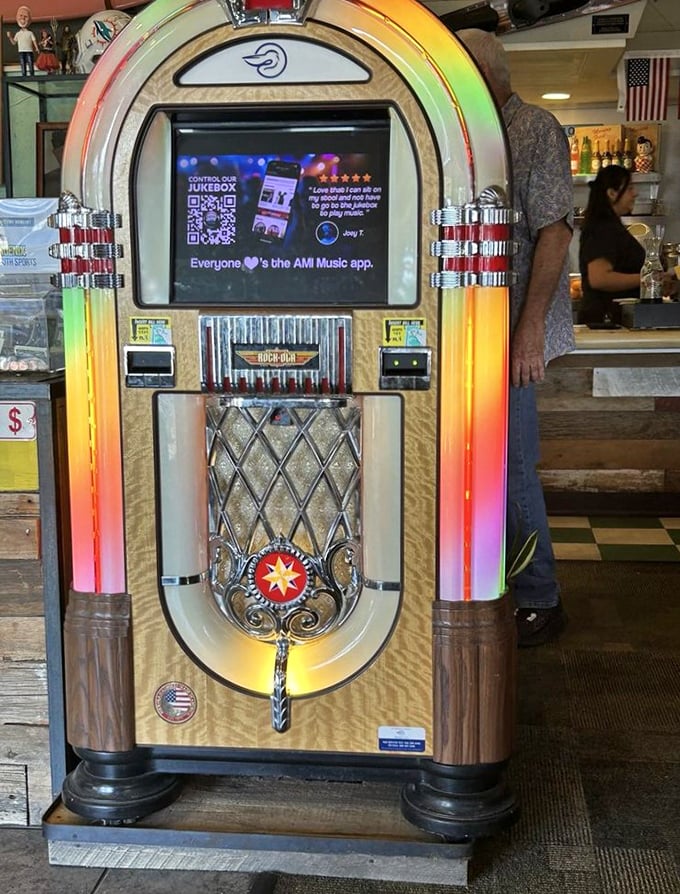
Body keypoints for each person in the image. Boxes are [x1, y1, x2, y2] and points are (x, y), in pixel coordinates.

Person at [456, 29, 574, 646]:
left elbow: (555, 232)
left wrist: (527, 332)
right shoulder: (476, 133)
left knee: (510, 465)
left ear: (488, 73)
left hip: (512, 336)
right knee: (483, 464)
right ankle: (501, 583)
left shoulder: (531, 126)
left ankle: (540, 596)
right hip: (476, 335)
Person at [578, 165, 646, 326]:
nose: (635, 193)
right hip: (606, 321)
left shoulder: (609, 226)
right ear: (611, 193)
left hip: (614, 320)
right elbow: (600, 279)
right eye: (629, 188)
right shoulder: (603, 228)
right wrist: (647, 279)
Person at [6, 6, 38, 77]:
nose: (23, 18)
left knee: (30, 62)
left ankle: (32, 74)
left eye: (25, 16)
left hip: (29, 51)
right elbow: (14, 42)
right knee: (22, 63)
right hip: (21, 51)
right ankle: (24, 75)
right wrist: (10, 37)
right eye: (21, 16)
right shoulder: (18, 34)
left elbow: (34, 40)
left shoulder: (30, 33)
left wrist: (36, 48)